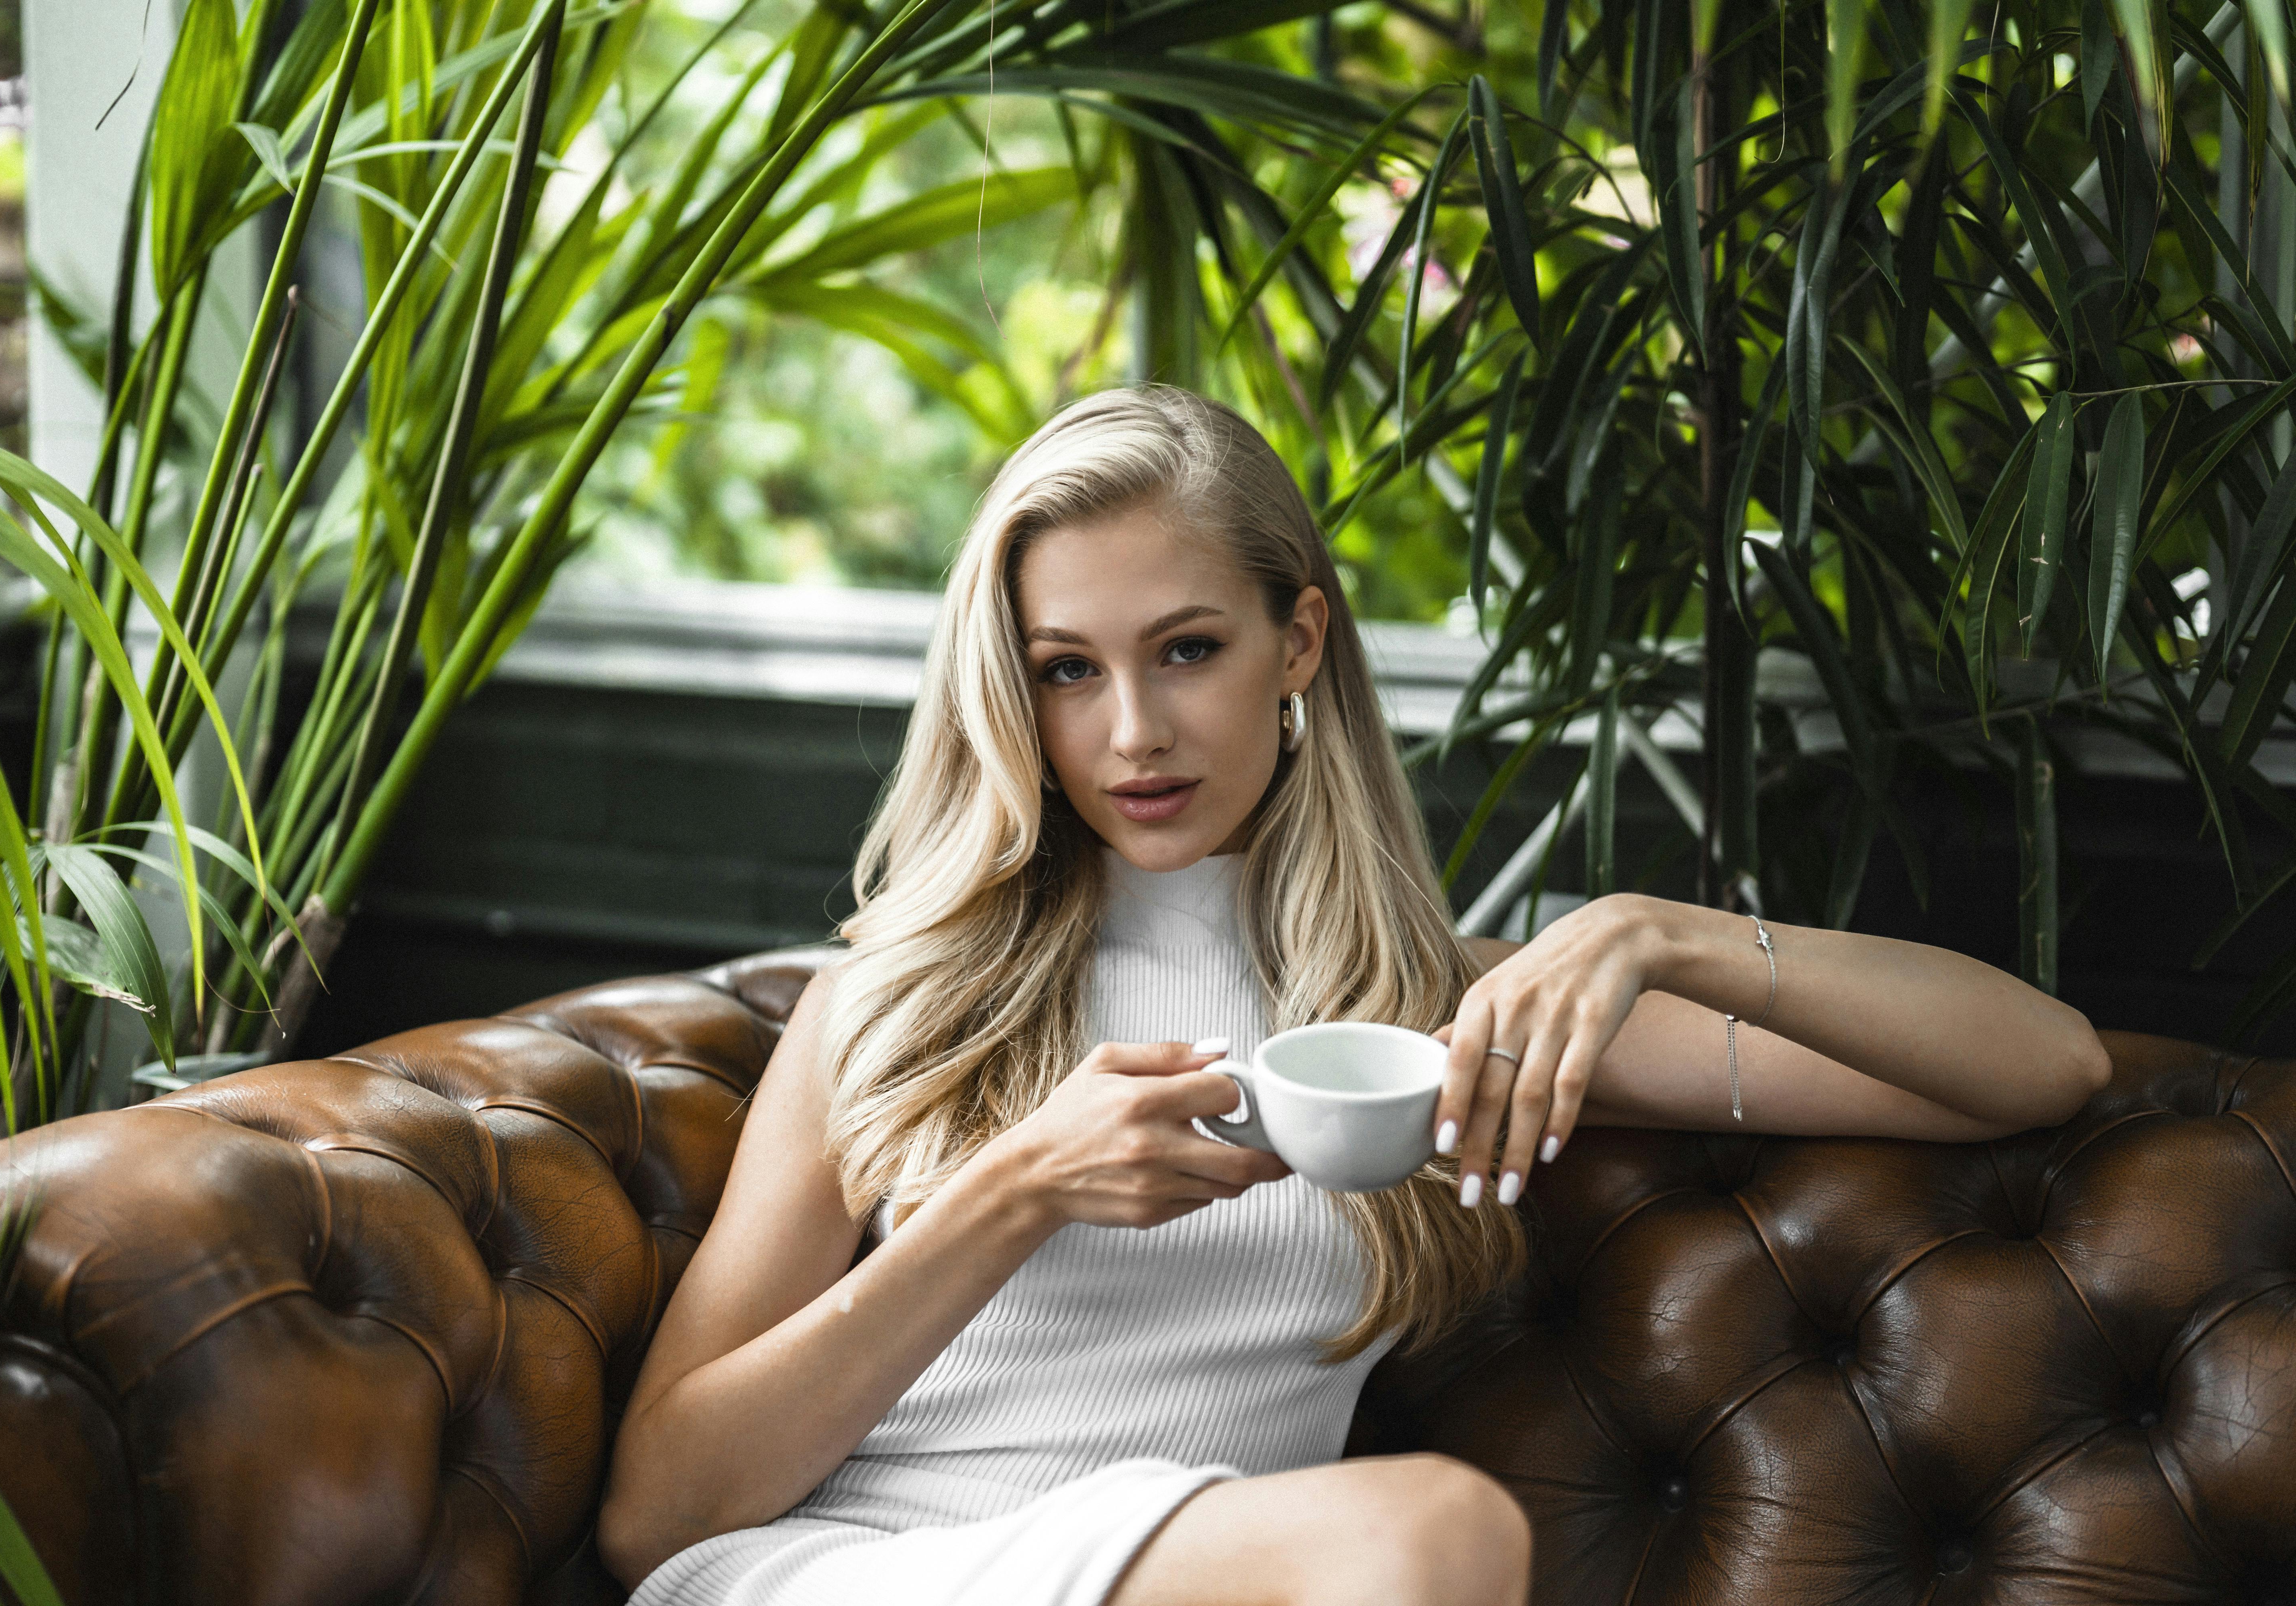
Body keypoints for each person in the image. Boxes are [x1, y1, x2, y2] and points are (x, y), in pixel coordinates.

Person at [597, 387, 2110, 1606]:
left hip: (1221, 1577)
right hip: (843, 1574)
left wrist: (1670, 935)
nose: (1133, 731)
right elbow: (657, 1517)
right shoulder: (896, 1002)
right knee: (1423, 1538)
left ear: (1298, 641)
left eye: (1188, 650)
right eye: (1067, 670)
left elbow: (2040, 1066)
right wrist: (1018, 1188)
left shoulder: (1437, 1016)